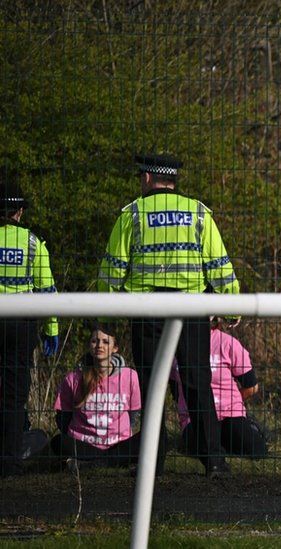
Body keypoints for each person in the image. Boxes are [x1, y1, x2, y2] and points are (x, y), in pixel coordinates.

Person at [97, 154, 241, 478]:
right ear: (173, 180)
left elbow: (112, 269)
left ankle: (153, 461)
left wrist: (104, 313)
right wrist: (231, 308)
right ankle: (214, 460)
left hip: (145, 311)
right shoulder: (199, 214)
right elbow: (220, 266)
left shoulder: (133, 214)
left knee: (151, 385)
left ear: (148, 178)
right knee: (197, 383)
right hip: (190, 311)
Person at [0, 170, 59, 477]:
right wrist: (51, 329)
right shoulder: (34, 243)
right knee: (13, 393)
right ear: (19, 211)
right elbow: (47, 291)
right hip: (21, 325)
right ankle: (8, 461)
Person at [51, 323, 149, 472]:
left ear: (115, 348)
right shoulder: (73, 378)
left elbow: (133, 415)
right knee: (58, 442)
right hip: (84, 443)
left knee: (150, 439)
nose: (99, 346)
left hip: (118, 443)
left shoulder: (130, 376)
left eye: (105, 341)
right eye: (94, 341)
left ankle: (93, 464)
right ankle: (113, 461)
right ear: (89, 345)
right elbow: (63, 418)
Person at [171, 320, 268, 459]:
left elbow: (252, 387)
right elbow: (173, 385)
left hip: (230, 414)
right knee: (198, 450)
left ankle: (250, 429)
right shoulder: (175, 346)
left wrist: (232, 402)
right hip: (195, 417)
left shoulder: (228, 343)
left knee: (257, 451)